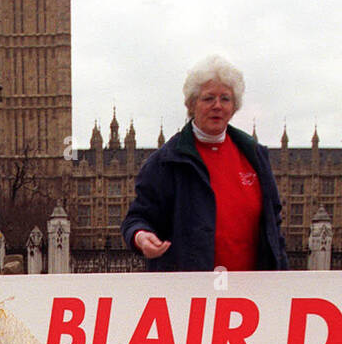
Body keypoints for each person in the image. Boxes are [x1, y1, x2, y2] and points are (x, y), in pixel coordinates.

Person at [122, 55, 289, 272]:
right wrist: (141, 236)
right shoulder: (166, 161)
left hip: (250, 292)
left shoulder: (255, 156)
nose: (217, 106)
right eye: (208, 98)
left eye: (225, 99)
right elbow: (137, 218)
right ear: (192, 104)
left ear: (234, 106)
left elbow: (273, 226)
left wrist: (284, 277)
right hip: (191, 293)